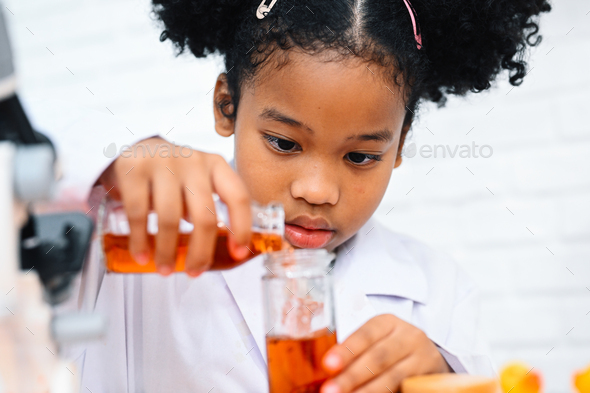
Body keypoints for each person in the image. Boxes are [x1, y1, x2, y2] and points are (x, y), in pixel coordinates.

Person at [58, 0, 552, 392]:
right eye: (284, 143)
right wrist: (117, 163)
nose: (316, 191)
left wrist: (441, 380)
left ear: (399, 146)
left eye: (360, 157)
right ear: (226, 106)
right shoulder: (132, 234)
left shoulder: (438, 291)